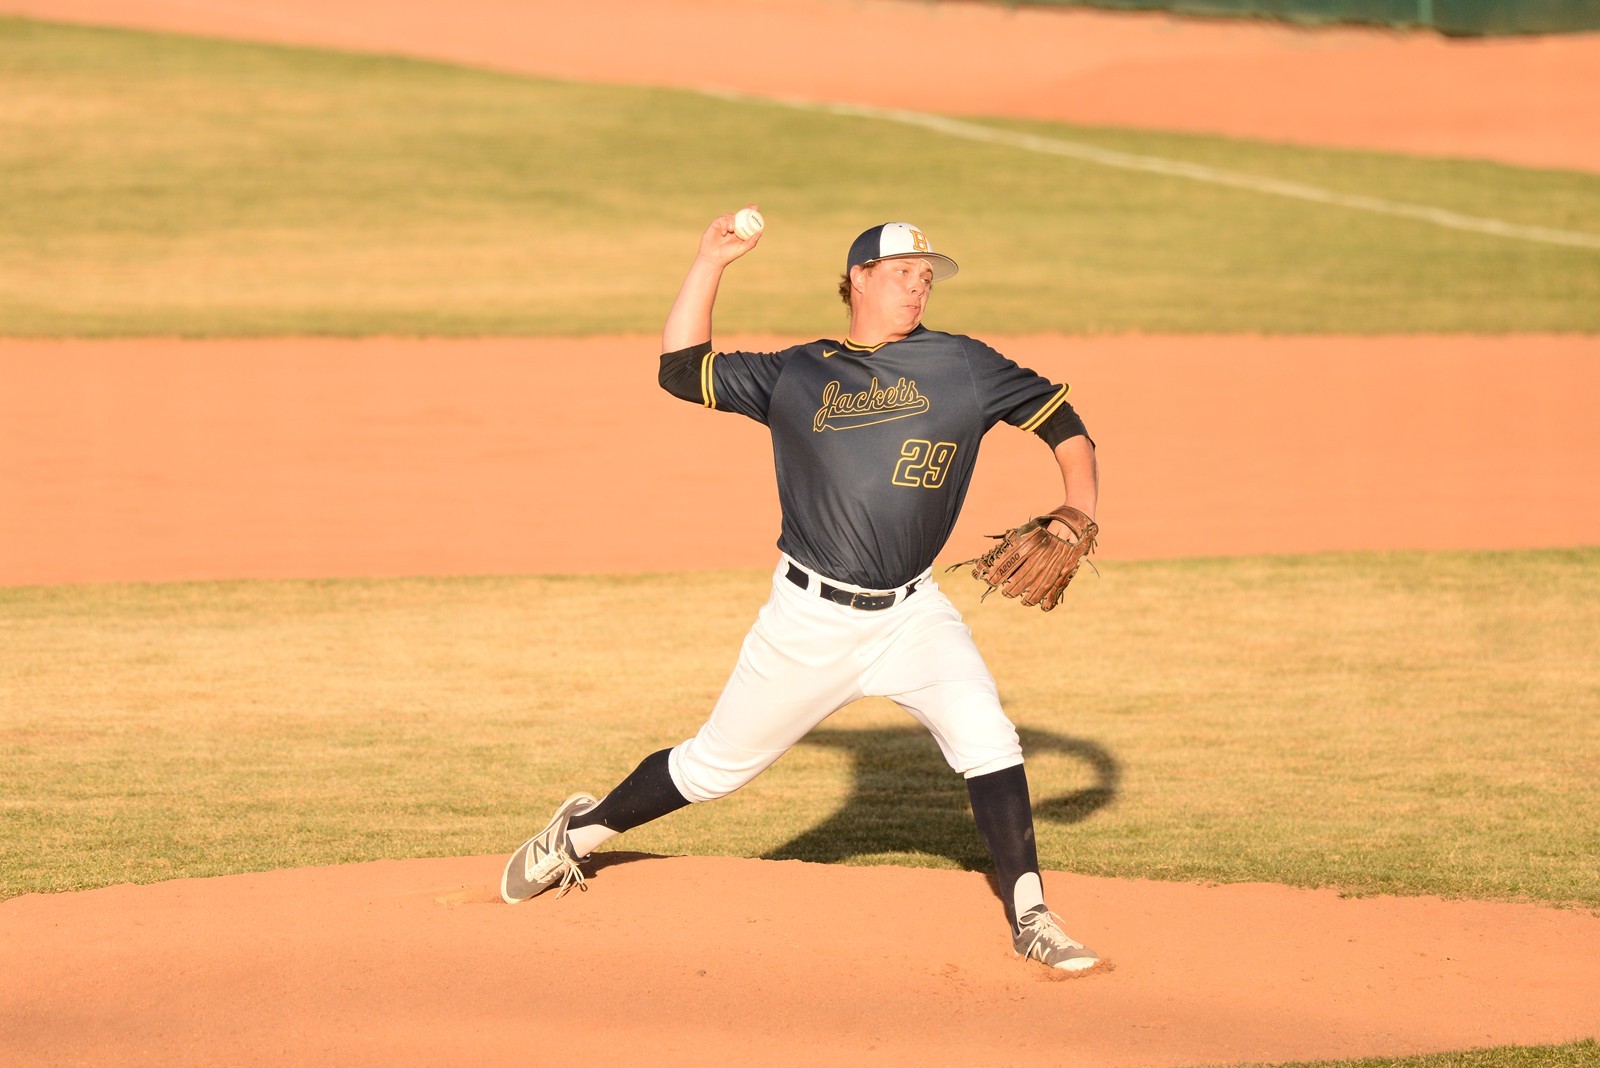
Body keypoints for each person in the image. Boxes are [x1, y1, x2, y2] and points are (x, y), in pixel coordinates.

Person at [501, 208, 1103, 972]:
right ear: (857, 279)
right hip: (809, 620)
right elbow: (681, 370)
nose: (918, 288)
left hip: (914, 614)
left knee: (990, 741)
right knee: (711, 770)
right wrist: (710, 261)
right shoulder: (798, 371)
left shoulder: (963, 365)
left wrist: (1078, 506)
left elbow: (1061, 418)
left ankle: (1032, 915)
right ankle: (578, 834)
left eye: (927, 278)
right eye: (902, 274)